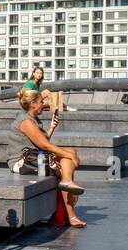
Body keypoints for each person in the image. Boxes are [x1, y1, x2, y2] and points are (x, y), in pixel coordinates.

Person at [10, 90, 86, 227]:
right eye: (41, 102)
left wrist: (51, 127)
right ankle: (70, 214)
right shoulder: (25, 121)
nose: (43, 104)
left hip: (34, 157)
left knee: (70, 152)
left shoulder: (33, 119)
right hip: (22, 162)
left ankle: (67, 184)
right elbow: (44, 145)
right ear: (33, 104)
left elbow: (42, 143)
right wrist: (69, 156)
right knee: (67, 157)